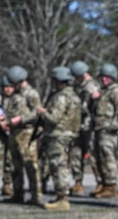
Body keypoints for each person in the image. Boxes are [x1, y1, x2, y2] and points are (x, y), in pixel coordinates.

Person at [35, 66, 82, 211]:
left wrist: (42, 112)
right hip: (68, 135)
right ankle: (60, 196)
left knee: (58, 166)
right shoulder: (73, 95)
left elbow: (54, 118)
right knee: (61, 165)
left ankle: (62, 198)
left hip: (58, 135)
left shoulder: (61, 97)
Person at [3, 65, 43, 205]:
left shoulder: (31, 94)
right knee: (15, 165)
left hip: (27, 133)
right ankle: (18, 193)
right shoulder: (15, 95)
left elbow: (37, 112)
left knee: (30, 165)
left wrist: (21, 119)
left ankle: (36, 195)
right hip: (14, 132)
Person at [91, 63, 118, 199]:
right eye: (103, 77)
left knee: (108, 158)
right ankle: (105, 185)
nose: (104, 79)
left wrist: (114, 125)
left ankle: (111, 187)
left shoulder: (115, 92)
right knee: (100, 158)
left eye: (107, 77)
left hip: (109, 131)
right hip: (100, 129)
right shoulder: (104, 91)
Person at [70, 60, 100, 195]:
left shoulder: (92, 86)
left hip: (89, 126)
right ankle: (77, 182)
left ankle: (100, 182)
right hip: (78, 125)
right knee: (75, 154)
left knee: (92, 155)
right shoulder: (78, 86)